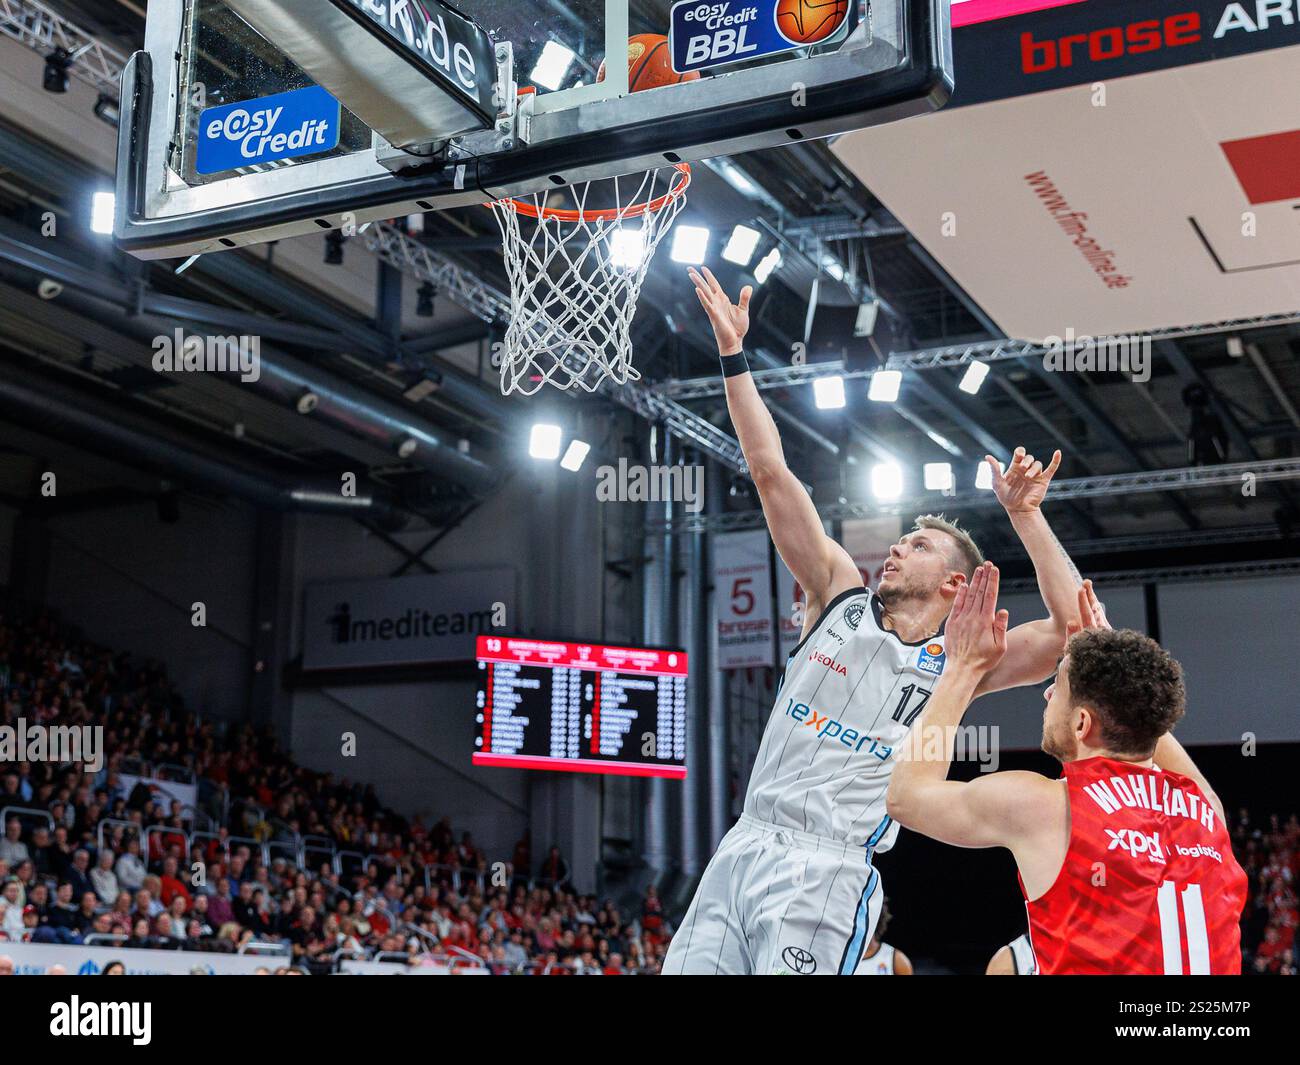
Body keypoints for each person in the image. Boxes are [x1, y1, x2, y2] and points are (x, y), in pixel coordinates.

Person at [665, 269, 1085, 975]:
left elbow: (1077, 630)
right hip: (741, 845)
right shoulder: (835, 591)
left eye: (916, 545)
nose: (895, 547)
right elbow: (770, 471)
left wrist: (1027, 517)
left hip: (826, 871)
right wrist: (735, 356)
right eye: (900, 540)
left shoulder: (965, 661)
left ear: (956, 581)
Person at [886, 571, 1248, 974]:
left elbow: (907, 796)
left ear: (1081, 724)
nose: (1046, 693)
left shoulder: (1046, 805)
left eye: (1057, 685)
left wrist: (962, 668)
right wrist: (1116, 669)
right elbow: (1147, 723)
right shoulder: (1204, 809)